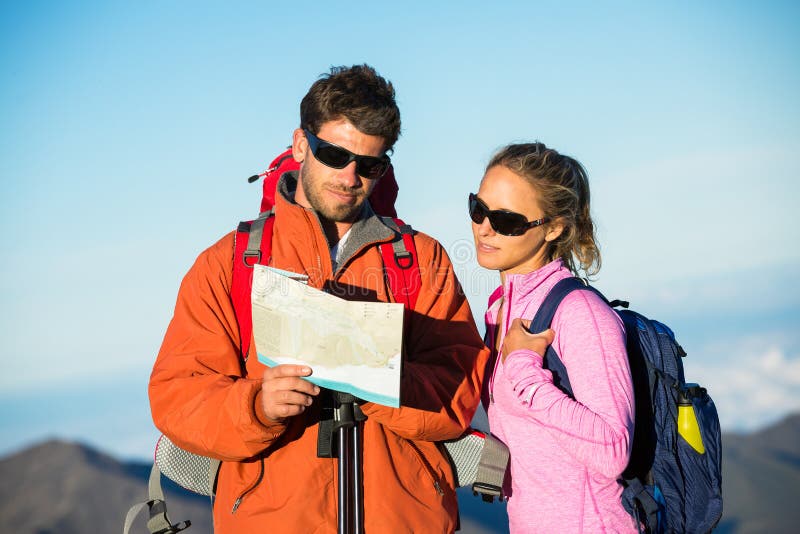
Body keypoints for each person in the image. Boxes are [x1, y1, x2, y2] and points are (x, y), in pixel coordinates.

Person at [149, 64, 489, 533]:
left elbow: (460, 389)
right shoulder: (229, 263)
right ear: (301, 144)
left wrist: (380, 383)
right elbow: (178, 396)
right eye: (334, 154)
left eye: (370, 164)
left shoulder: (420, 258)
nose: (350, 177)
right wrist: (257, 406)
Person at [471, 142, 637, 533]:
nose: (484, 227)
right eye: (478, 209)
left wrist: (524, 370)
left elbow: (613, 449)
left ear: (554, 227)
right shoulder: (500, 311)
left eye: (507, 220)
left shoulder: (580, 313)